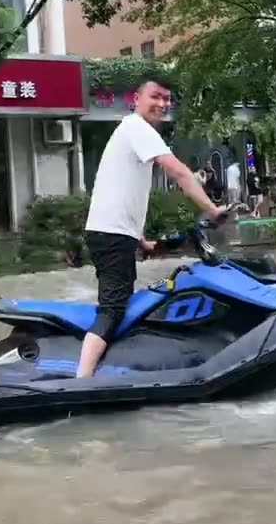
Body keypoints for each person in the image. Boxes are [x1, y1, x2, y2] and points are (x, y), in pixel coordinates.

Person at [77, 78, 226, 378]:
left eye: (167, 99)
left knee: (124, 299)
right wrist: (211, 209)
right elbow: (178, 172)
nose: (162, 104)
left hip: (117, 234)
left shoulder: (134, 131)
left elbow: (122, 190)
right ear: (136, 98)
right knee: (113, 307)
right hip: (111, 234)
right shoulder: (137, 128)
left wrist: (142, 241)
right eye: (155, 96)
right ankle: (82, 380)